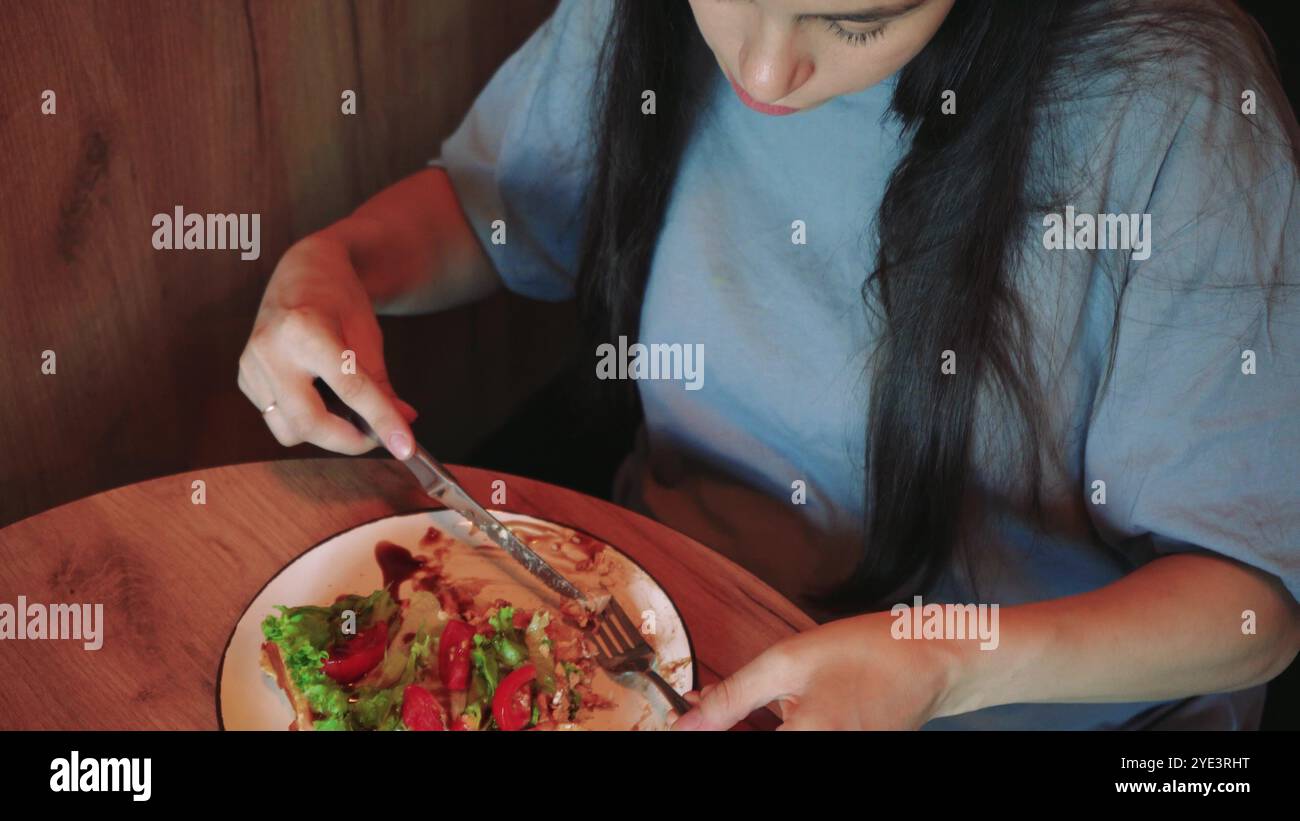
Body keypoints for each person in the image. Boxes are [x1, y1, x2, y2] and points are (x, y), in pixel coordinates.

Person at [238, 0, 1300, 730]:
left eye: (855, 21)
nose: (760, 70)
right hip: (655, 642)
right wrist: (333, 266)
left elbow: (1248, 610)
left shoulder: (1174, 106)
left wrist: (935, 662)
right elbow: (496, 204)